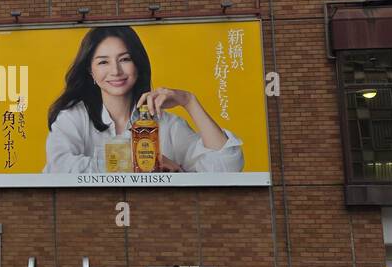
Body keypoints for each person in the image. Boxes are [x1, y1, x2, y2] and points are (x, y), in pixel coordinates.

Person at [45, 25, 244, 174]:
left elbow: (228, 166)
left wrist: (189, 101)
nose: (115, 71)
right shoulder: (74, 117)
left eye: (125, 59)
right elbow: (60, 166)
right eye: (103, 62)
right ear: (90, 71)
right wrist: (142, 162)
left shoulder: (165, 122)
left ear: (137, 65)